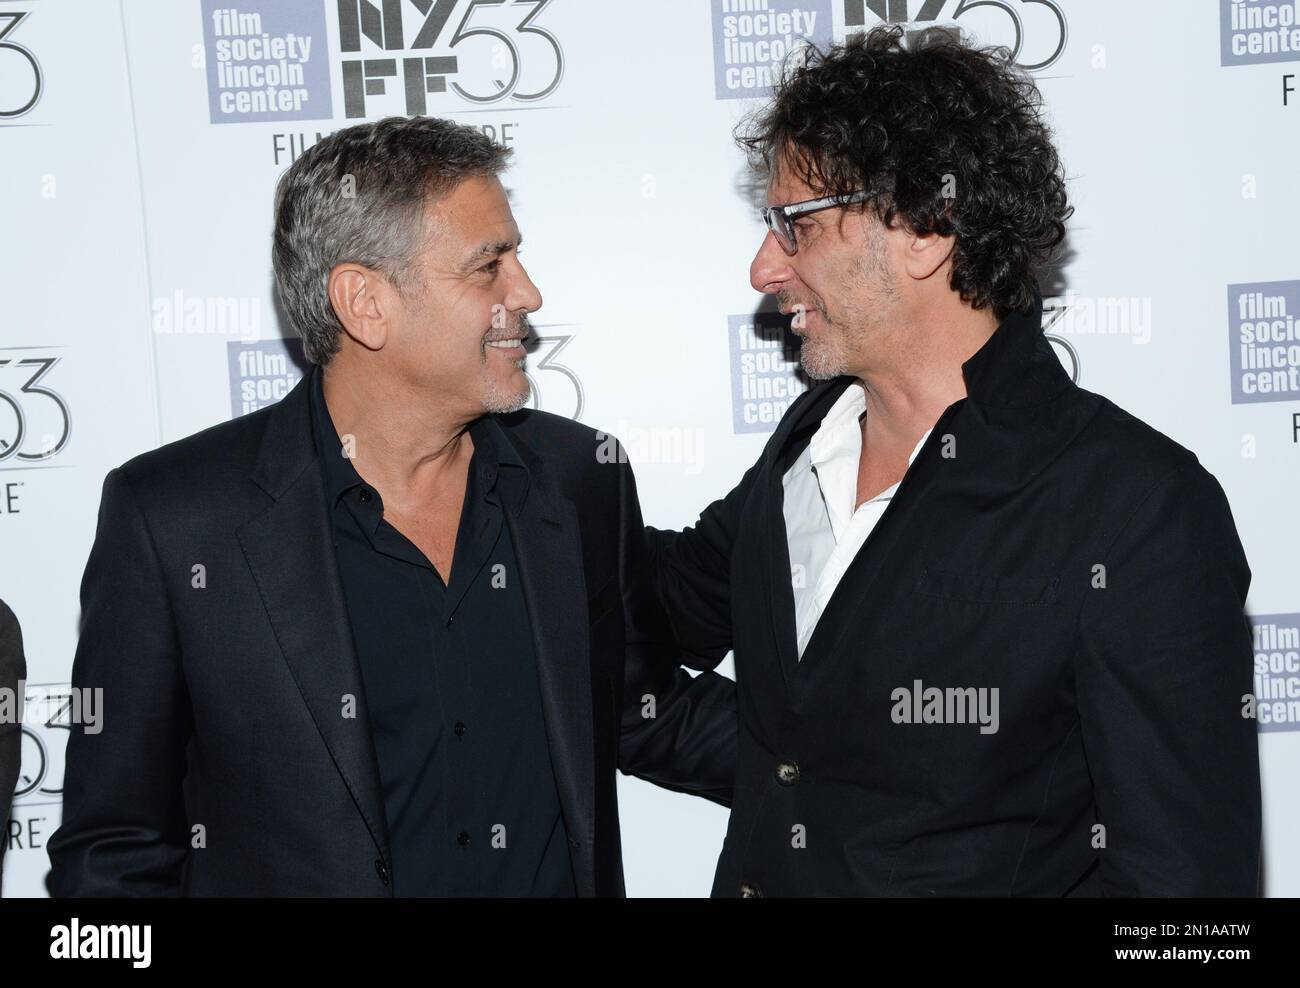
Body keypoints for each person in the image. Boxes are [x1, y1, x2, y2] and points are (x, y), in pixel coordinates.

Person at [48, 116, 735, 897]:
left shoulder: (580, 478)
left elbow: (639, 711)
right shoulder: (175, 520)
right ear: (365, 303)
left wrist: (862, 764)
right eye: (488, 266)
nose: (528, 292)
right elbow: (112, 855)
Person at [647, 26, 1261, 896]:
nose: (762, 267)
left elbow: (1185, 904)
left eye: (797, 225)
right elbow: (652, 618)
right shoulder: (806, 447)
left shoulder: (1133, 508)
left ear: (926, 230)